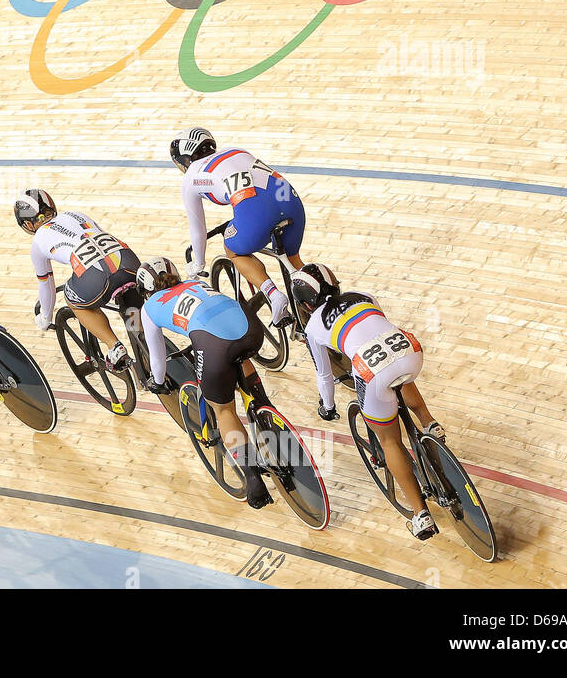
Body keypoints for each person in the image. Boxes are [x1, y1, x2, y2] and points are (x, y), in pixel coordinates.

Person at [293, 262, 444, 540]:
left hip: (372, 371)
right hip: (409, 349)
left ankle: (421, 515)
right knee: (398, 371)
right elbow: (377, 333)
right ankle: (430, 423)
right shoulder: (362, 295)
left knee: (389, 441)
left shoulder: (314, 325)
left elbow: (324, 375)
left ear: (304, 305)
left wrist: (328, 407)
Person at [136, 256, 273, 509]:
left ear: (145, 290)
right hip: (251, 330)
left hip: (215, 346)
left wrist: (157, 382)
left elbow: (157, 356)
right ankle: (265, 409)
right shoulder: (195, 282)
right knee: (239, 356)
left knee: (223, 410)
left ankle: (253, 480)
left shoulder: (149, 307)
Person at [171, 127, 306, 326]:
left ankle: (274, 295)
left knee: (232, 250)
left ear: (185, 158)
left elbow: (197, 228)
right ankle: (323, 296)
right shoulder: (236, 150)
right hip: (290, 200)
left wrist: (198, 263)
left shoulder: (191, 177)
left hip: (256, 214)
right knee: (294, 260)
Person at [15, 189, 140, 372]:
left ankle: (114, 346)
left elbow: (46, 285)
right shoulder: (75, 214)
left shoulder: (38, 241)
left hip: (96, 277)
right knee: (126, 293)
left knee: (73, 299)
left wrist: (45, 317)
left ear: (27, 223)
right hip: (128, 260)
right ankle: (141, 339)